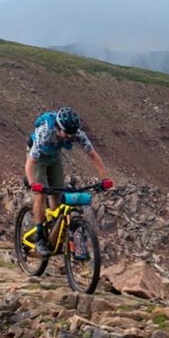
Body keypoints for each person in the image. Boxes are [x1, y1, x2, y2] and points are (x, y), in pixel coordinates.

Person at [24, 107, 112, 252]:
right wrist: (34, 184)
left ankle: (53, 230)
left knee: (57, 193)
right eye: (67, 134)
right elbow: (30, 163)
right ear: (58, 128)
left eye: (72, 134)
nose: (70, 137)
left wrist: (105, 179)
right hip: (38, 159)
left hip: (54, 157)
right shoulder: (45, 133)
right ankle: (39, 235)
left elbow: (94, 155)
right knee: (42, 193)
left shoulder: (75, 133)